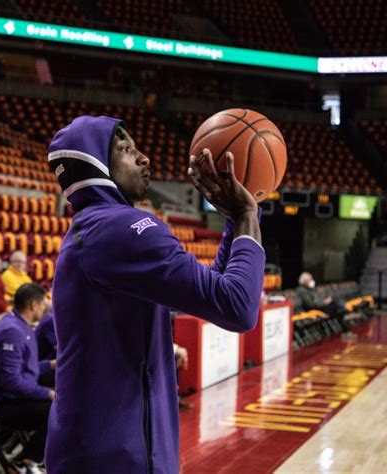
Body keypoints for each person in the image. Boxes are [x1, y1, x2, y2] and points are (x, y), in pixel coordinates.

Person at [45, 116, 265, 473]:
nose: (144, 158)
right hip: (114, 457)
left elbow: (216, 287)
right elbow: (237, 306)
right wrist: (245, 214)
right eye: (126, 150)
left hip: (110, 449)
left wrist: (235, 220)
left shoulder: (100, 231)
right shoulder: (118, 228)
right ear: (95, 163)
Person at [0, 284, 55, 473]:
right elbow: (12, 382)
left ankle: (28, 459)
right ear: (33, 305)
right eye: (42, 303)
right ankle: (24, 462)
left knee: (58, 391)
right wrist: (47, 393)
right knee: (57, 409)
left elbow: (25, 369)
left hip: (12, 396)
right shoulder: (12, 331)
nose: (45, 306)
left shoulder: (19, 324)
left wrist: (50, 365)